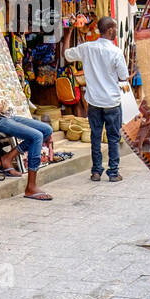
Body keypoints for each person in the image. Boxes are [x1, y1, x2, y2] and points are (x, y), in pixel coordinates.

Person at [63, 16, 129, 182]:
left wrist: (68, 33)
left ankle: (96, 171)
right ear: (111, 30)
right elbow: (123, 77)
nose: (115, 31)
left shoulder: (87, 48)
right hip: (112, 102)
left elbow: (66, 55)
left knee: (95, 137)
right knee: (113, 138)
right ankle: (113, 172)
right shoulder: (116, 52)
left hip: (94, 102)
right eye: (114, 28)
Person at [0, 71, 54, 201]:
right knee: (36, 136)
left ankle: (7, 158)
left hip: (3, 116)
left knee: (47, 130)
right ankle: (31, 187)